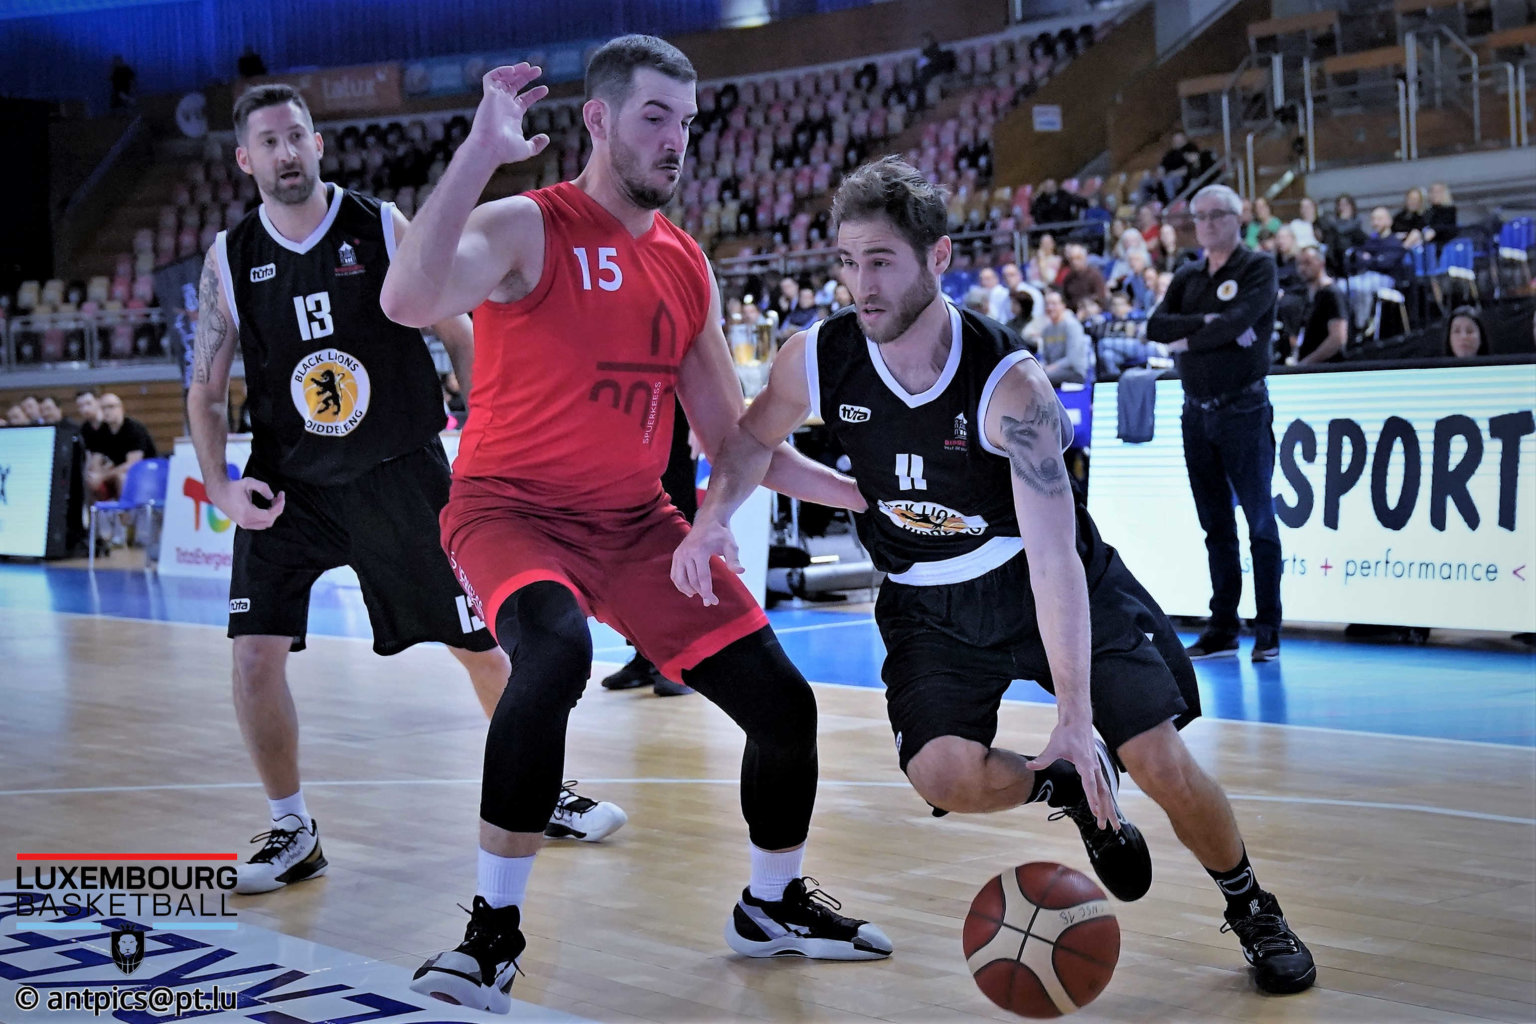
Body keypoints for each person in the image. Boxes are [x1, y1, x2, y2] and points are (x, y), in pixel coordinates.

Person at [675, 156, 1316, 998]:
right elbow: (752, 442)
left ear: (937, 257)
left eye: (881, 262)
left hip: (1036, 579)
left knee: (1156, 758)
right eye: (848, 262)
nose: (861, 285)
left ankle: (1251, 903)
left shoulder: (1009, 385)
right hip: (925, 602)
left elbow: (1054, 557)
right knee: (941, 774)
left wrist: (1076, 716)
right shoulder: (819, 355)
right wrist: (724, 515)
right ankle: (1063, 788)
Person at [378, 41, 892, 1011]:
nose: (676, 141)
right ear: (599, 120)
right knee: (554, 652)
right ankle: (492, 933)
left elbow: (735, 442)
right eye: (656, 117)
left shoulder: (684, 263)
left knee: (785, 708)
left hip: (632, 523)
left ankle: (771, 905)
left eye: (686, 122)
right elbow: (406, 299)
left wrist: (869, 495)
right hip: (509, 511)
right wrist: (480, 153)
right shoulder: (527, 224)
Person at [185, 83, 624, 896]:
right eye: (268, 142)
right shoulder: (228, 259)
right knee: (251, 656)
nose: (286, 152)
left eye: (296, 135)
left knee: (481, 647)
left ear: (318, 143)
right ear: (245, 159)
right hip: (290, 486)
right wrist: (218, 484)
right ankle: (292, 829)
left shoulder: (380, 224)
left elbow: (460, 333)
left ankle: (543, 789)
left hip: (400, 473)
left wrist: (489, 436)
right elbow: (206, 391)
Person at [1146, 184, 1283, 663]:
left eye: (1215, 215)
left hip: (1244, 408)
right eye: (1198, 216)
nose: (1205, 224)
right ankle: (1222, 626)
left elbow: (1240, 320)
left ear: (1236, 218)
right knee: (1215, 525)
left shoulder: (1258, 267)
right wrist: (1211, 324)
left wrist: (1191, 336)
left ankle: (1268, 628)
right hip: (1196, 411)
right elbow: (1156, 327)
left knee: (1260, 521)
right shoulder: (1188, 274)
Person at [79, 391, 156, 500]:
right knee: (90, 479)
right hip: (116, 471)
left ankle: (125, 510)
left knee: (122, 478)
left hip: (146, 471)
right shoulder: (102, 431)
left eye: (111, 407)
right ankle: (98, 509)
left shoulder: (134, 429)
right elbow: (96, 459)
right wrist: (95, 476)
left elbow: (132, 465)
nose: (107, 411)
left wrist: (103, 476)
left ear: (121, 408)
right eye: (103, 408)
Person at [1293, 247, 1349, 364]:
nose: (1302, 268)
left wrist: (1306, 363)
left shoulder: (1332, 293)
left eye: (1307, 263)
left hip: (1327, 367)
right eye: (1299, 264)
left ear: (1321, 263)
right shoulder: (1310, 295)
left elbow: (1338, 338)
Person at [1037, 289, 1091, 385]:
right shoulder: (1046, 330)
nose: (1050, 307)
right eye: (1047, 304)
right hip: (1052, 371)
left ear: (1063, 305)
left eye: (1054, 304)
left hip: (1074, 372)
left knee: (1042, 378)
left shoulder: (1072, 325)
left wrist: (1049, 368)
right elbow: (1045, 357)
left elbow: (1072, 359)